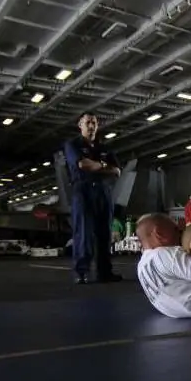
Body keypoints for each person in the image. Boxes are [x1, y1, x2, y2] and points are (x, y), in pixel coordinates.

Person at [63, 113, 123, 284]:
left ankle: (105, 272)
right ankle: (81, 272)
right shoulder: (72, 145)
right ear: (80, 125)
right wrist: (105, 166)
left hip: (103, 193)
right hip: (83, 191)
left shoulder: (105, 148)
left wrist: (97, 166)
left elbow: (117, 171)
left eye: (94, 123)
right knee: (84, 233)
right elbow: (82, 164)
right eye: (87, 122)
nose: (91, 126)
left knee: (104, 234)